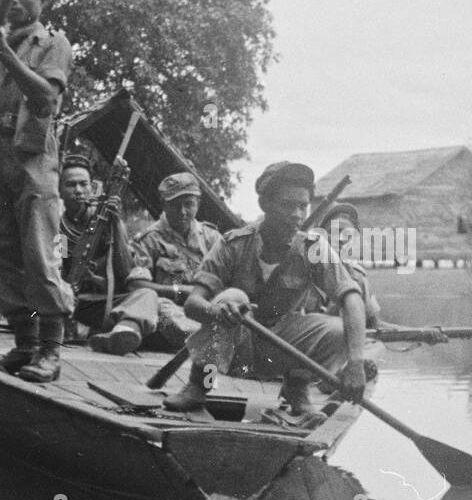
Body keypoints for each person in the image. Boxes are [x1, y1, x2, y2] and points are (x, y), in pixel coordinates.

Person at [163, 161, 369, 420]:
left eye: (303, 206)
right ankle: (198, 386)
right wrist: (216, 311)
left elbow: (351, 298)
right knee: (234, 298)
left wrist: (356, 362)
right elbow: (193, 304)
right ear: (265, 205)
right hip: (233, 344)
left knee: (340, 331)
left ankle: (296, 389)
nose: (297, 214)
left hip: (281, 345)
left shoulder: (313, 247)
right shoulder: (233, 243)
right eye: (287, 205)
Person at [0, 0, 74, 383]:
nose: (15, 2)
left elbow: (45, 101)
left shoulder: (54, 43)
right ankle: (24, 342)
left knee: (38, 252)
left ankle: (51, 350)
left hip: (32, 157)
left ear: (43, 0)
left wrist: (4, 52)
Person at [58, 154, 159, 355]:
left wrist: (116, 224)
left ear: (91, 187)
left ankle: (122, 332)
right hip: (70, 301)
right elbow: (58, 266)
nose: (78, 190)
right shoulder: (59, 227)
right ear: (60, 189)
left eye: (83, 184)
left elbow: (126, 272)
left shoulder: (104, 220)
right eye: (70, 185)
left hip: (104, 301)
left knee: (147, 294)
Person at [319, 203, 448, 342]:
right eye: (335, 232)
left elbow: (375, 326)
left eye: (348, 234)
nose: (341, 239)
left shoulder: (356, 277)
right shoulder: (305, 267)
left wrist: (421, 334)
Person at [130, 172, 223, 349]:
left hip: (204, 308)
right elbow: (136, 286)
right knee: (157, 306)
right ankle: (206, 340)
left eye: (188, 204)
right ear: (164, 205)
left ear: (198, 203)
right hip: (169, 309)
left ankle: (205, 339)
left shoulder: (212, 238)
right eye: (174, 205)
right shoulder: (150, 239)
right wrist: (179, 291)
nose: (182, 212)